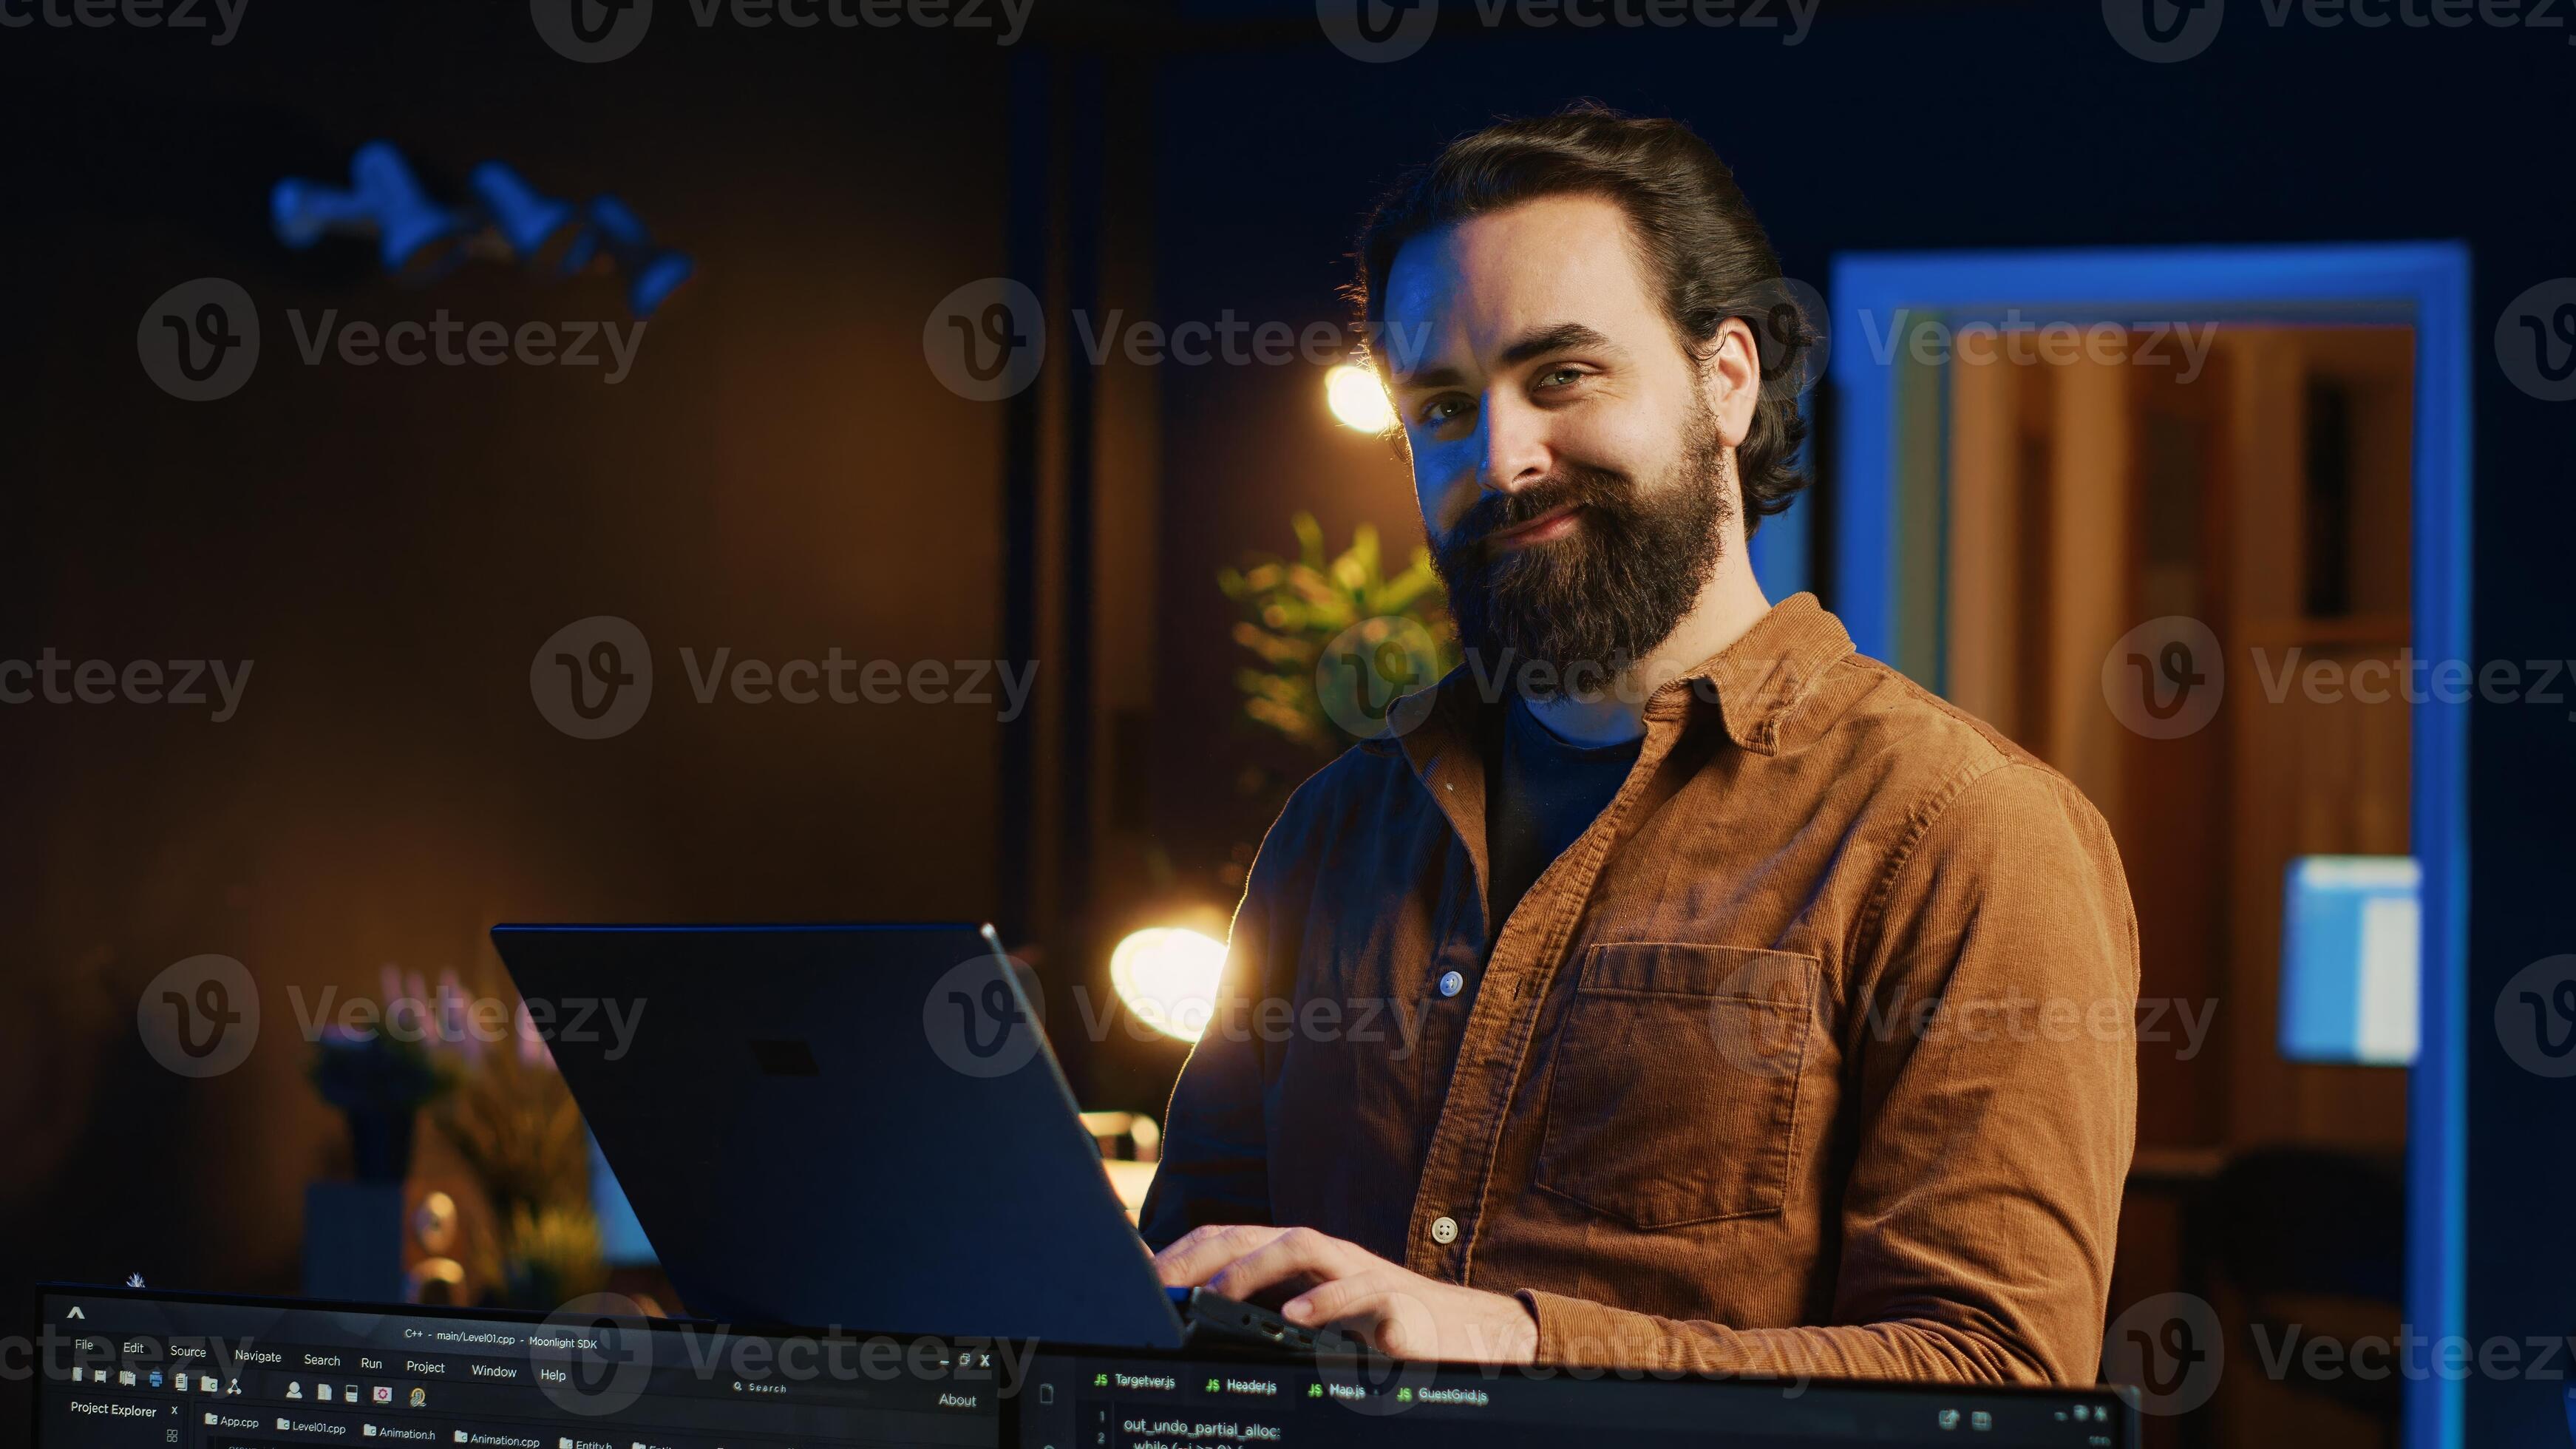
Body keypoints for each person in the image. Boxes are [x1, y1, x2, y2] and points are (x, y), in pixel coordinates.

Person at [1138, 105, 2139, 1385]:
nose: (1501, 459)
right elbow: (1194, 1279)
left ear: (1725, 380)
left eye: (1562, 376)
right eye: (1441, 406)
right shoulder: (1337, 828)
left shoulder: (1966, 832)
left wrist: (1509, 1337)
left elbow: (1996, 1375)